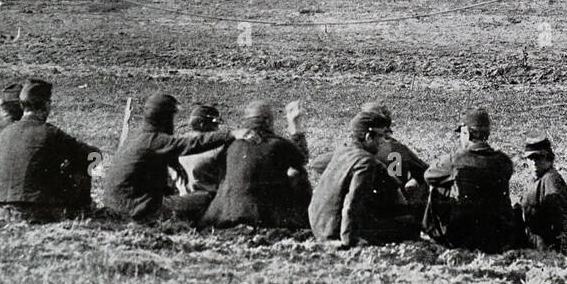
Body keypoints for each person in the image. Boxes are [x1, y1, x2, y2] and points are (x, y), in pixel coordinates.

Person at [101, 93, 239, 223]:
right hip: (136, 209)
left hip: (117, 205)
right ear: (165, 118)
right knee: (206, 198)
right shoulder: (154, 139)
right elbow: (193, 144)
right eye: (172, 117)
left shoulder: (136, 137)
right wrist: (231, 134)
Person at [0, 78, 97, 222]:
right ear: (47, 105)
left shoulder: (5, 132)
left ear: (22, 105)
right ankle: (82, 209)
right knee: (85, 160)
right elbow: (93, 154)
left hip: (0, 209)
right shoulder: (51, 133)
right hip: (37, 210)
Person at [309, 111, 422, 247]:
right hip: (334, 231)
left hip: (319, 225)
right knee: (410, 225)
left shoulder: (343, 150)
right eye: (380, 136)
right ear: (368, 137)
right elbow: (352, 203)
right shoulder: (365, 161)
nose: (382, 142)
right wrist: (350, 241)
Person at [200, 101, 310, 229]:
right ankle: (305, 221)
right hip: (264, 216)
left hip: (223, 214)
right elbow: (303, 159)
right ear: (268, 122)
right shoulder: (278, 144)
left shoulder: (230, 144)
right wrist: (294, 128)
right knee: (298, 174)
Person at [423, 108, 515, 253]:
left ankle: (436, 238)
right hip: (496, 234)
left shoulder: (454, 159)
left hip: (461, 235)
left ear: (466, 133)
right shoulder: (504, 161)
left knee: (438, 188)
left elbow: (428, 176)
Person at [516, 136, 567, 252]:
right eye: (531, 158)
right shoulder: (536, 179)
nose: (534, 162)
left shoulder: (550, 180)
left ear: (548, 158)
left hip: (547, 245)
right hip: (536, 239)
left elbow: (564, 221)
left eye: (538, 157)